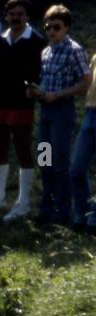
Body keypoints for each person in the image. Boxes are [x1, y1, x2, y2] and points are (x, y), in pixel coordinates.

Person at [0, 0, 46, 220]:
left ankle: (24, 202)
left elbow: (38, 73)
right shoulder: (0, 40)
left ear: (27, 16)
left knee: (23, 149)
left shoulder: (36, 40)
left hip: (21, 102)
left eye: (20, 15)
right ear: (6, 16)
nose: (16, 18)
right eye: (12, 14)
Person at [30, 5, 91, 227]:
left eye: (56, 27)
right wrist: (37, 91)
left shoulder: (74, 50)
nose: (51, 31)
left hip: (62, 112)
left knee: (60, 162)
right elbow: (45, 80)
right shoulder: (46, 52)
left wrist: (60, 95)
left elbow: (86, 82)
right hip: (45, 111)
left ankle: (63, 211)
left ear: (66, 27)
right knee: (44, 160)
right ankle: (46, 207)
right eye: (48, 26)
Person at [68, 48, 96, 230]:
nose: (51, 30)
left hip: (64, 116)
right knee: (76, 168)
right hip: (90, 114)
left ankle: (93, 216)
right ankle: (82, 211)